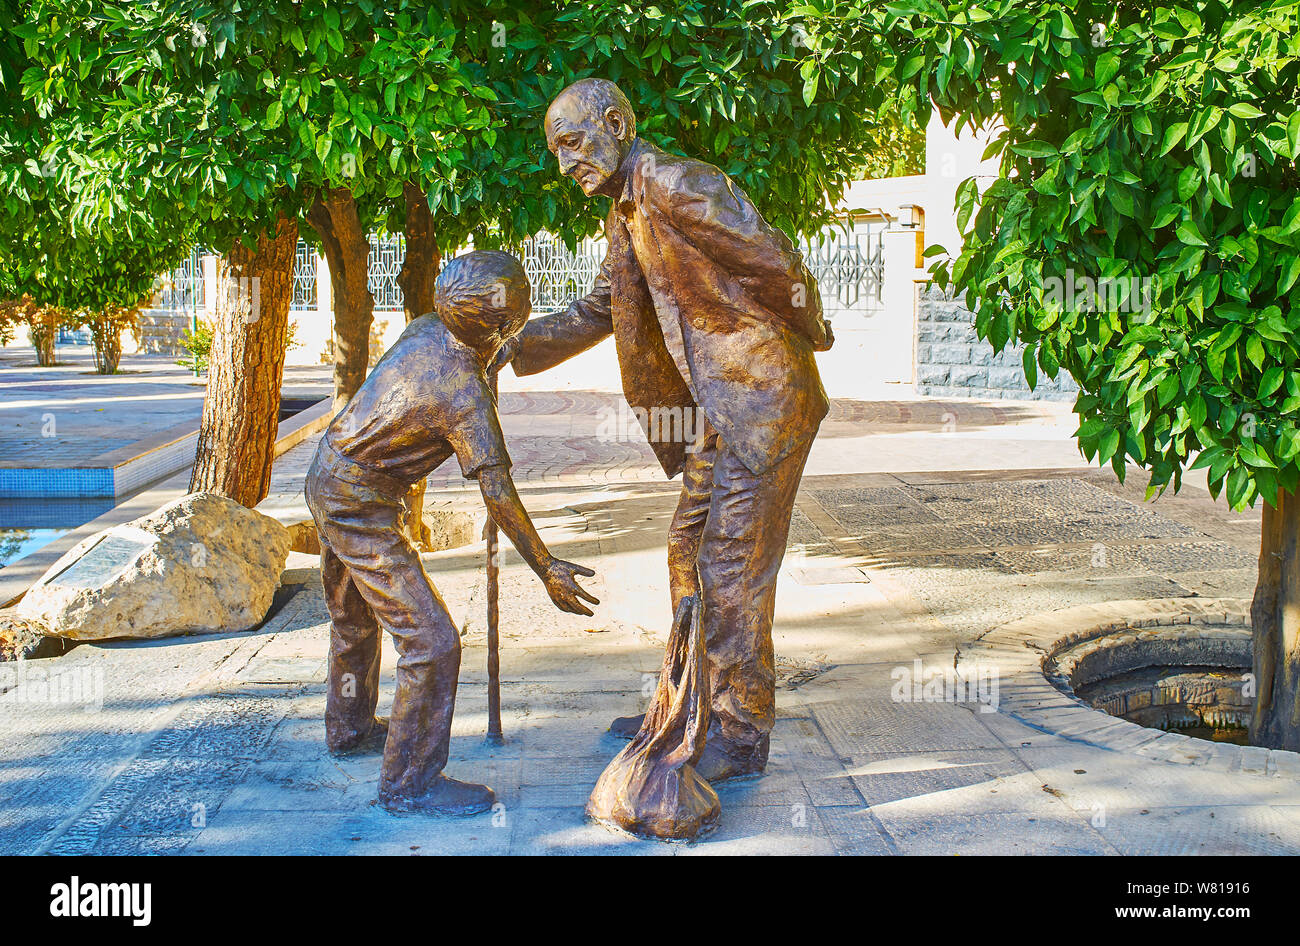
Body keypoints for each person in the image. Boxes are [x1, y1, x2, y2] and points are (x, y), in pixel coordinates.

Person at [497, 79, 832, 782]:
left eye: (572, 144)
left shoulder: (678, 184)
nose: (565, 166)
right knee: (687, 547)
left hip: (762, 405)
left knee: (731, 568)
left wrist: (801, 346)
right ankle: (686, 703)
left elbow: (774, 260)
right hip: (719, 411)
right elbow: (598, 309)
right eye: (556, 152)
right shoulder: (625, 212)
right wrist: (515, 346)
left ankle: (740, 730)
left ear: (616, 123)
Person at [305, 249, 598, 815]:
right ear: (499, 321)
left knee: (354, 615)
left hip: (328, 474)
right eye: (519, 304)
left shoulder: (429, 328)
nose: (526, 307)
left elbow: (514, 347)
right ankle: (409, 784)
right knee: (433, 642)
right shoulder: (462, 391)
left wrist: (577, 322)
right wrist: (547, 567)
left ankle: (349, 728)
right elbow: (498, 491)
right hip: (359, 503)